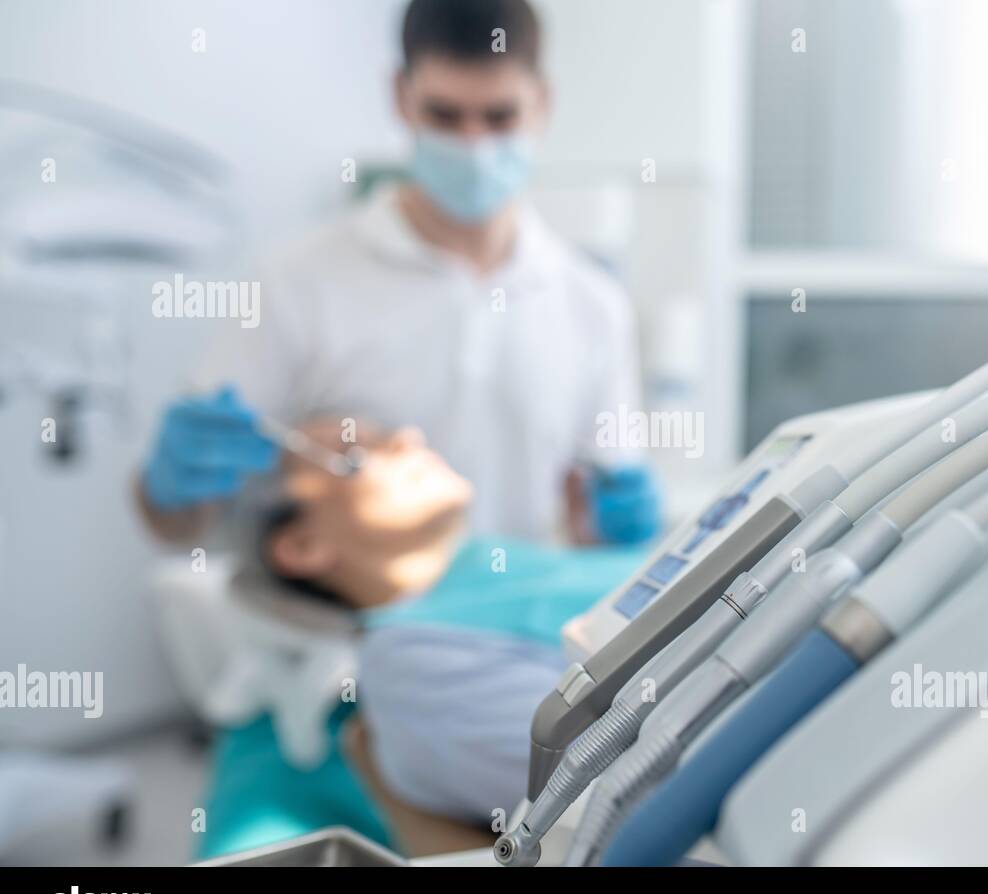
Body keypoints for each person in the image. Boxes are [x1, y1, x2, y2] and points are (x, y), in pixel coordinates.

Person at [137, 0, 660, 549]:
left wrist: (621, 534)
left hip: (518, 629)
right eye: (445, 115)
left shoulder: (595, 307)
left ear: (543, 103)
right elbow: (178, 525)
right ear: (401, 98)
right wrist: (171, 488)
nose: (475, 145)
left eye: (500, 116)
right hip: (333, 633)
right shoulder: (294, 282)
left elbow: (596, 526)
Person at [197, 421, 648, 858]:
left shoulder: (488, 563)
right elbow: (635, 782)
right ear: (303, 547)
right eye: (354, 455)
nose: (408, 438)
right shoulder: (407, 664)